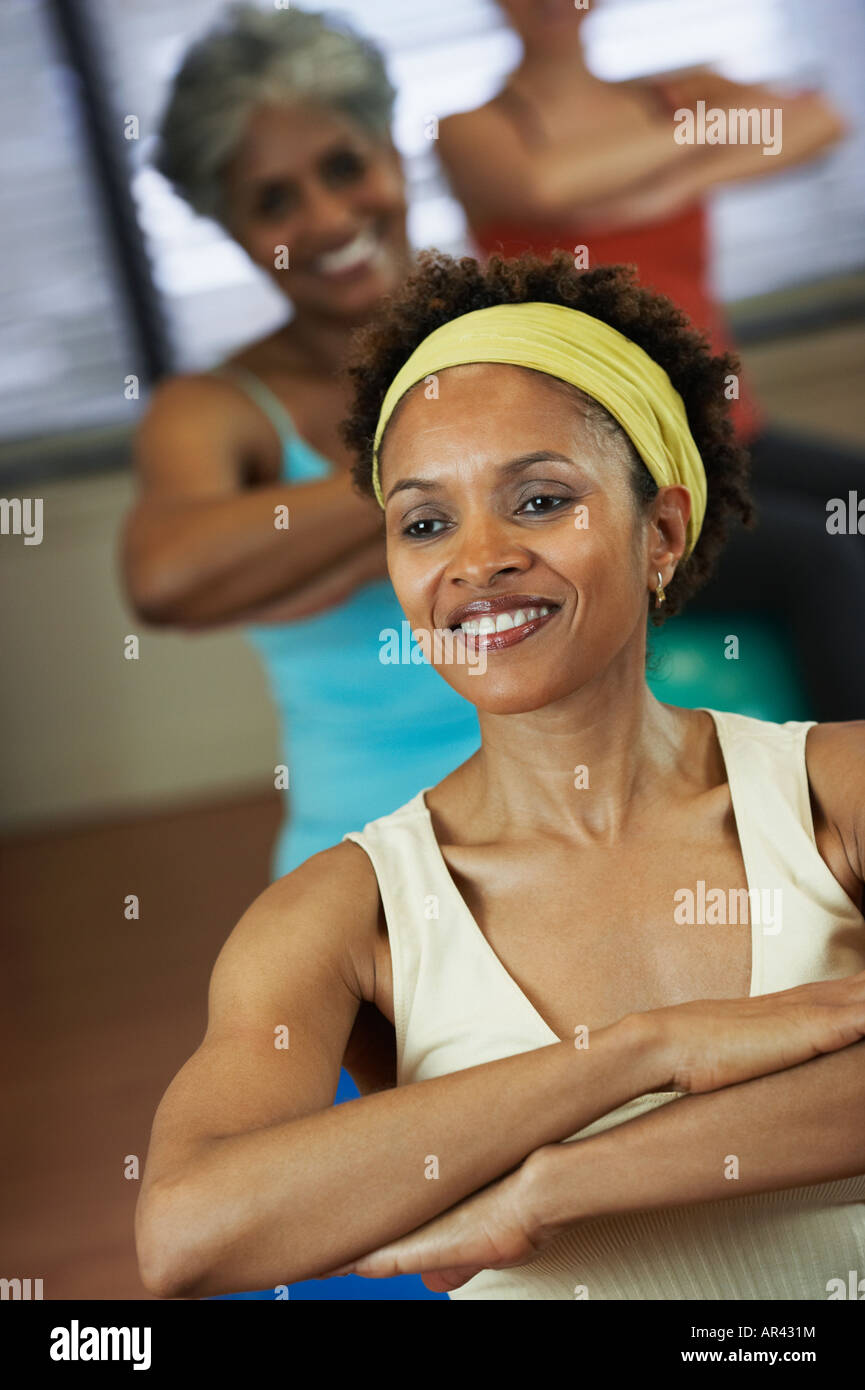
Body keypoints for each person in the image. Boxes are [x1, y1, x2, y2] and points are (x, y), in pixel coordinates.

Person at [135, 250, 865, 1302]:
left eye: (537, 500)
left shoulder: (831, 791)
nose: (475, 560)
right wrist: (640, 1052)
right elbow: (188, 1231)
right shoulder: (345, 913)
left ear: (660, 528)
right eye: (424, 522)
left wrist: (559, 1183)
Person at [120, 4, 480, 1299]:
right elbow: (165, 573)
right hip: (365, 874)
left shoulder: (502, 321)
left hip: (582, 815)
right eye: (271, 195)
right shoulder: (218, 408)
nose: (325, 215)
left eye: (343, 164)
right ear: (225, 226)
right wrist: (423, 452)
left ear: (393, 153)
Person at [435, 0, 865, 721]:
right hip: (618, 474)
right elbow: (543, 188)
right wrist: (694, 149)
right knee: (820, 563)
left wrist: (662, 175)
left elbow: (820, 118)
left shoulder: (677, 87)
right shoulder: (471, 131)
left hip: (730, 433)